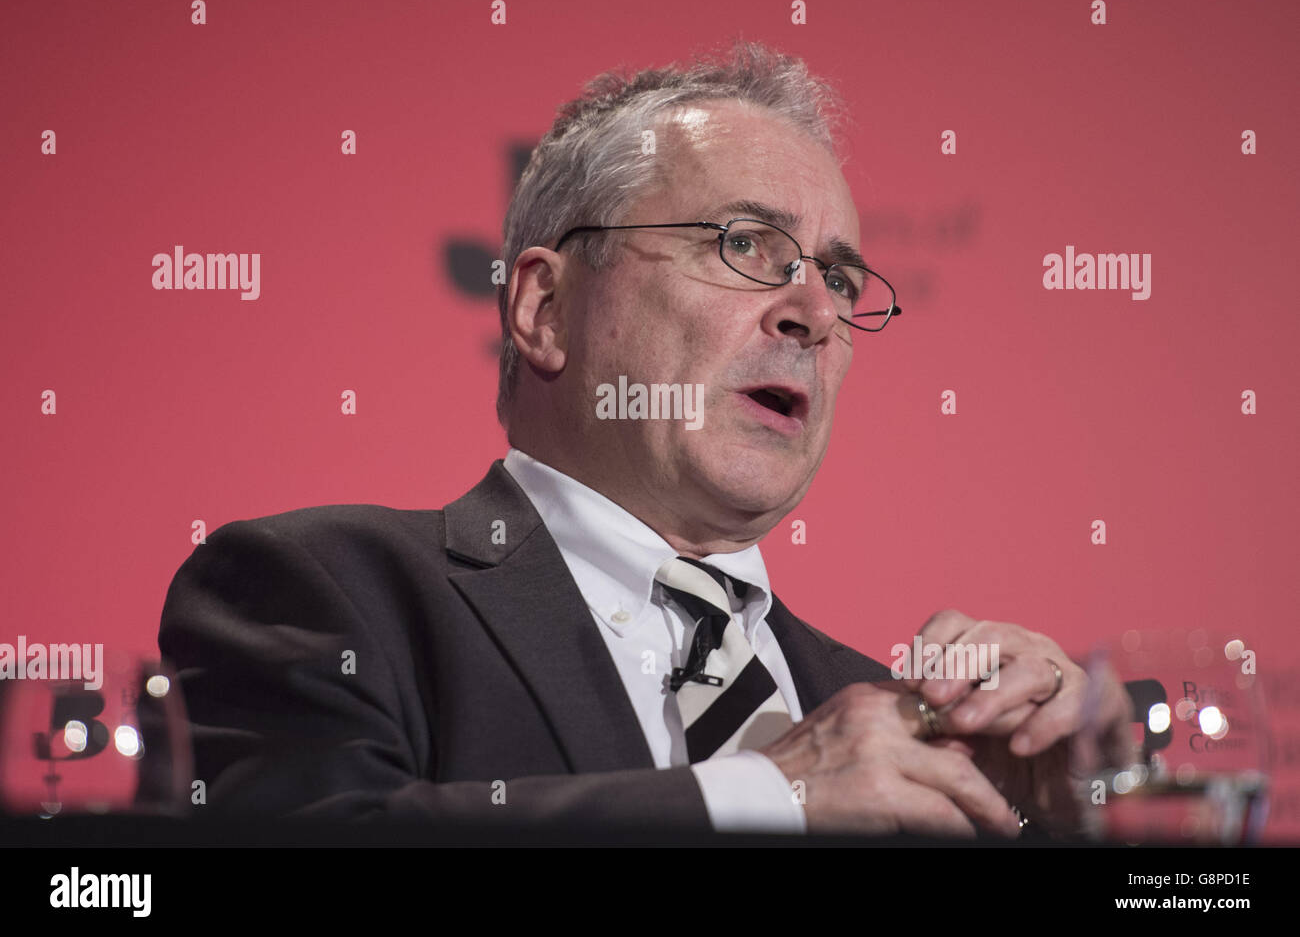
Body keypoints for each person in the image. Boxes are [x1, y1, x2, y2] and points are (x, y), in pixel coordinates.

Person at [158, 41, 1134, 836]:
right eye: (744, 246)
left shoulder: (884, 719)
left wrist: (1072, 818)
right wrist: (764, 797)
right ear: (544, 308)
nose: (813, 314)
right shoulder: (329, 593)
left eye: (836, 278)